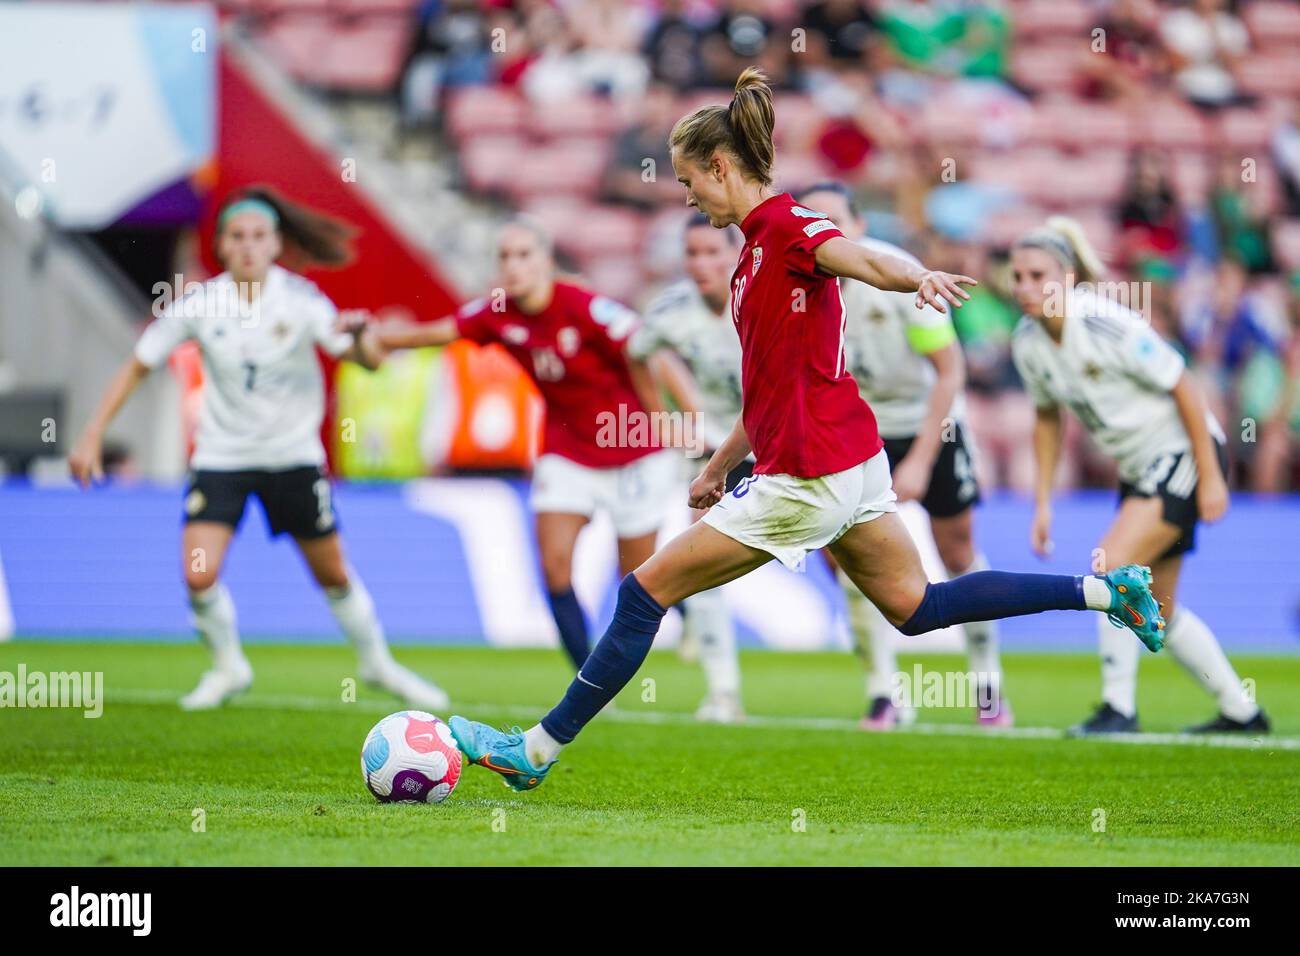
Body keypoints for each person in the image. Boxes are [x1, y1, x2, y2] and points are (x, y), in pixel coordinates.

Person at [448, 69, 1166, 793]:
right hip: (851, 463)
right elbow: (767, 387)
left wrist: (913, 276)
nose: (686, 195)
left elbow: (860, 254)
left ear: (722, 167)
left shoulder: (790, 230)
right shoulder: (749, 259)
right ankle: (1108, 594)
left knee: (643, 592)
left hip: (808, 474)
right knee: (919, 608)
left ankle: (532, 752)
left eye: (689, 180)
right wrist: (720, 463)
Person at [68, 187, 449, 711]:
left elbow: (367, 360)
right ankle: (228, 667)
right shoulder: (200, 304)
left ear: (275, 245)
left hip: (292, 458)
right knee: (198, 572)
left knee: (333, 573)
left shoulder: (302, 300)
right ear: (222, 246)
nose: (248, 246)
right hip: (222, 459)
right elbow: (140, 361)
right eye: (237, 237)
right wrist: (91, 432)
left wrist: (362, 337)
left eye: (259, 237)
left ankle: (376, 663)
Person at [369, 218, 678, 672]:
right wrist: (366, 337)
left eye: (524, 255)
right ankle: (588, 678)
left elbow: (649, 349)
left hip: (632, 450)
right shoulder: (495, 313)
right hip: (566, 451)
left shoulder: (585, 306)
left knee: (634, 580)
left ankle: (686, 610)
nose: (513, 266)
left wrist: (667, 417)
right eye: (505, 257)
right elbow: (429, 335)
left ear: (546, 262)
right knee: (554, 570)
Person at [1010, 216, 1269, 735]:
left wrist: (1213, 476)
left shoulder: (1106, 323)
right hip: (1141, 470)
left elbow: (1185, 385)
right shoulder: (1027, 342)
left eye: (1038, 275)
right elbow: (1046, 418)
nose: (1025, 288)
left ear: (1066, 278)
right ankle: (1242, 711)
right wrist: (1042, 502)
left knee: (1112, 565)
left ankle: (1117, 709)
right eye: (1016, 277)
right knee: (1161, 611)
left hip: (1182, 457)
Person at [795, 181, 1008, 729]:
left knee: (956, 552)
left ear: (860, 226)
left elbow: (948, 373)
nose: (823, 231)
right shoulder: (798, 286)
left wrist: (918, 459)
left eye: (834, 218)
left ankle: (987, 686)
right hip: (855, 428)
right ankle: (884, 693)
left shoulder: (898, 275)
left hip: (927, 421)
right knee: (847, 561)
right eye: (810, 220)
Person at [629, 213, 747, 722]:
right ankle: (724, 694)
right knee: (700, 564)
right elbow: (638, 354)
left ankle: (883, 691)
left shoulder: (761, 299)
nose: (701, 264)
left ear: (735, 253)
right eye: (691, 253)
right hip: (714, 450)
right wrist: (665, 423)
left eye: (711, 252)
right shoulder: (673, 311)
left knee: (847, 566)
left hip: (780, 441)